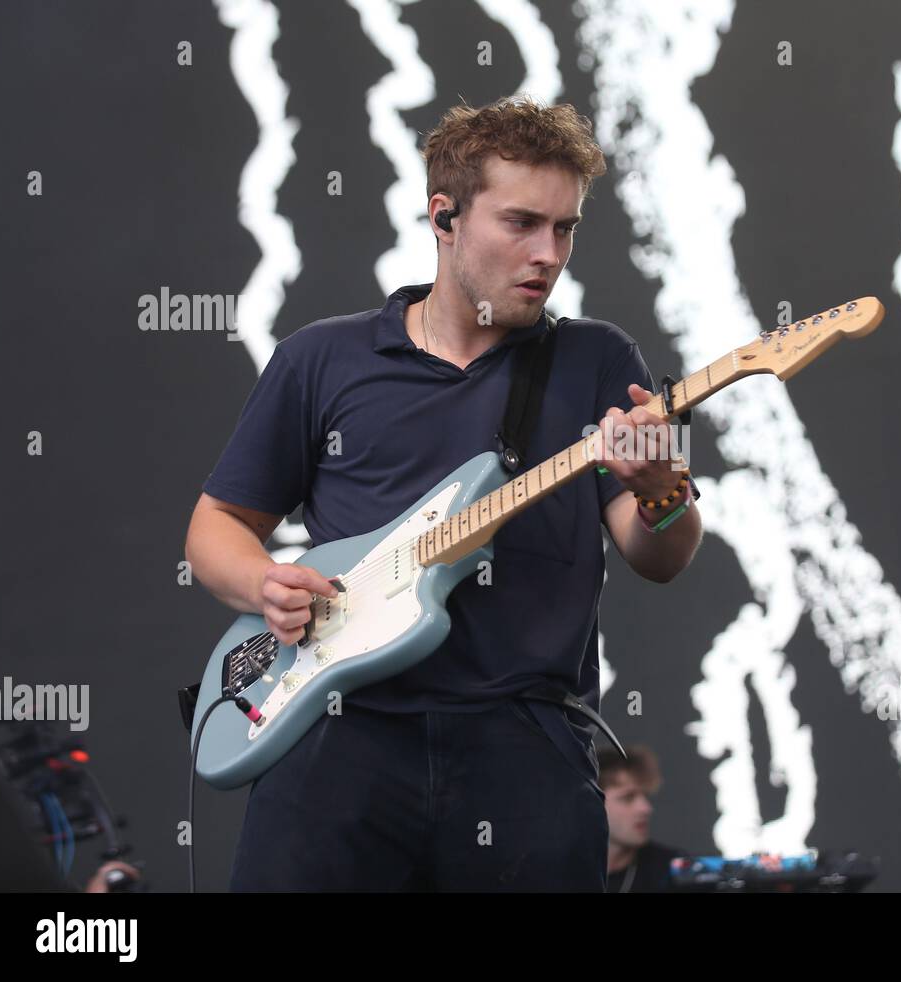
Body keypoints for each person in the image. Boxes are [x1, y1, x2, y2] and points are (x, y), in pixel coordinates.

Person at [184, 96, 702, 892]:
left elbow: (656, 554)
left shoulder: (597, 359)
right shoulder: (323, 359)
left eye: (564, 229)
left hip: (526, 748)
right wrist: (264, 582)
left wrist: (664, 491)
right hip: (338, 733)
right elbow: (217, 525)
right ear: (444, 216)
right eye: (522, 222)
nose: (548, 254)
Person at [601, 745, 684, 892]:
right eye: (628, 797)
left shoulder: (674, 871)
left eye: (645, 795)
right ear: (591, 803)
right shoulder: (554, 872)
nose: (646, 808)